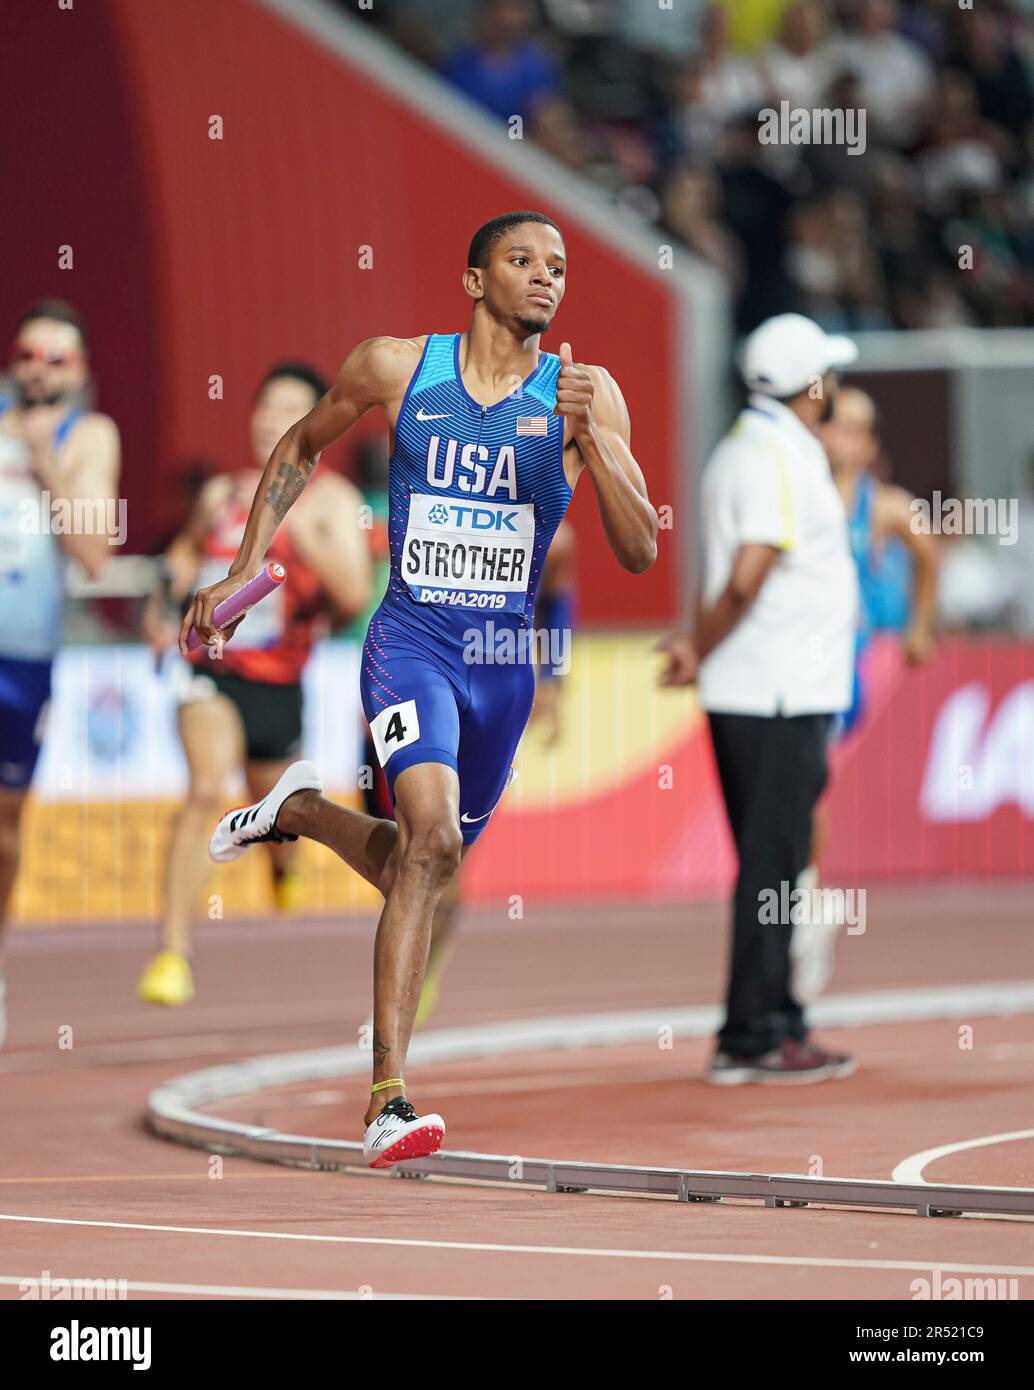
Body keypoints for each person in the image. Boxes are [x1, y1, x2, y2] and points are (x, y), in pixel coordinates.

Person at [184, 210, 657, 1166]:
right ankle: (388, 1100)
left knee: (425, 868)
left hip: (501, 671)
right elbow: (297, 447)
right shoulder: (398, 368)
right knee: (430, 840)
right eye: (522, 262)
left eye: (558, 267)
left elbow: (642, 549)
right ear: (475, 279)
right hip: (412, 644)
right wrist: (244, 570)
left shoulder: (587, 395)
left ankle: (302, 811)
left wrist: (594, 444)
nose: (545, 279)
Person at [659, 312, 858, 1085]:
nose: (835, 385)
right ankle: (751, 1035)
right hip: (775, 692)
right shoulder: (772, 454)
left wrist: (698, 648)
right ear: (812, 385)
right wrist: (696, 648)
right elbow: (748, 574)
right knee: (773, 867)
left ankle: (775, 1019)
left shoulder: (759, 447)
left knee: (772, 862)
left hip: (773, 687)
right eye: (829, 374)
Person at [138, 363, 371, 1006]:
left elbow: (352, 600)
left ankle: (282, 864)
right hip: (212, 670)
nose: (272, 423)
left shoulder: (336, 504)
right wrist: (162, 609)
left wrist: (290, 529)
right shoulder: (222, 494)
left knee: (278, 821)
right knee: (205, 786)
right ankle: (172, 953)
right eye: (264, 409)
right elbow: (184, 555)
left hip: (281, 684)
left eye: (289, 412)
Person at [0, 299, 121, 1048]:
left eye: (57, 360)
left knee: (6, 825)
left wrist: (44, 460)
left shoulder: (89, 435)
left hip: (26, 658)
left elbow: (93, 552)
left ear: (80, 374)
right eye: (28, 355)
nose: (39, 370)